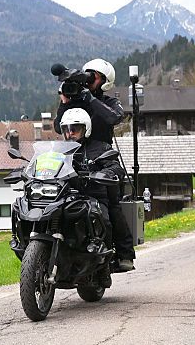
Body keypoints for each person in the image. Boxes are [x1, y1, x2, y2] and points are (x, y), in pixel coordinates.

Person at [54, 58, 136, 272]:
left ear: (105, 81)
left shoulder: (109, 102)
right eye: (87, 74)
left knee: (111, 205)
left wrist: (89, 98)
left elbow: (113, 118)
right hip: (73, 154)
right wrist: (64, 103)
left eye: (95, 76)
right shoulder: (76, 100)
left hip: (102, 156)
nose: (90, 79)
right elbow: (57, 127)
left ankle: (124, 254)